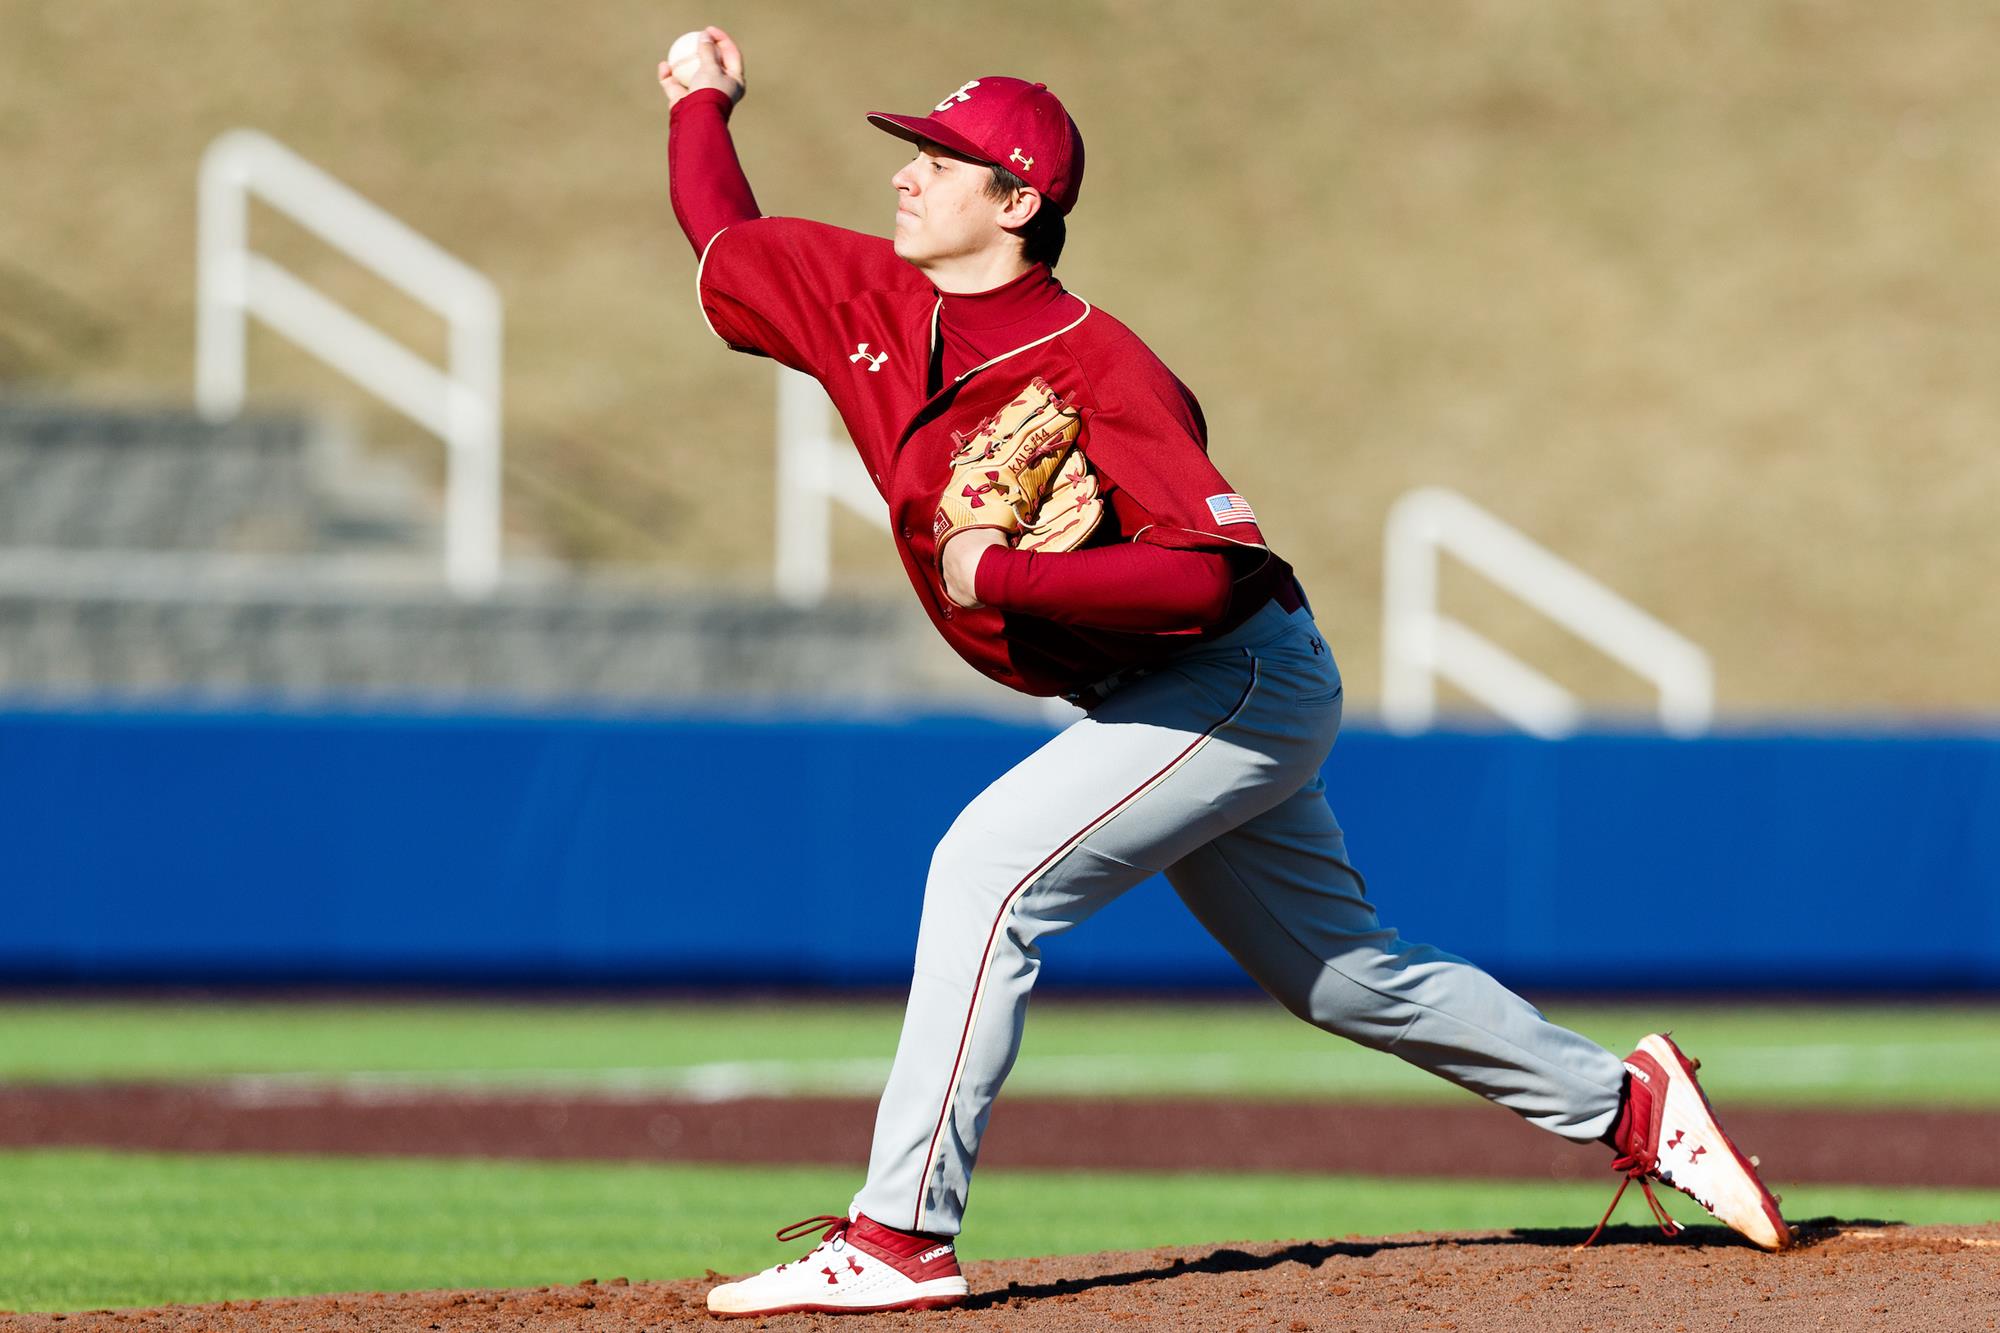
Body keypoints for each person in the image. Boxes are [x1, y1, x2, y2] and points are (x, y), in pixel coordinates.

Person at [656, 27, 1791, 1318]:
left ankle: (902, 1233)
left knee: (983, 872)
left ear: (1018, 204)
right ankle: (1630, 1102)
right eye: (916, 150)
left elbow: (1211, 574)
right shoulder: (864, 301)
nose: (909, 172)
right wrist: (702, 102)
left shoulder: (1099, 365)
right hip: (1146, 698)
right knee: (1346, 977)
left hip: (1236, 678)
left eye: (942, 158)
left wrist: (1004, 576)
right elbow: (722, 241)